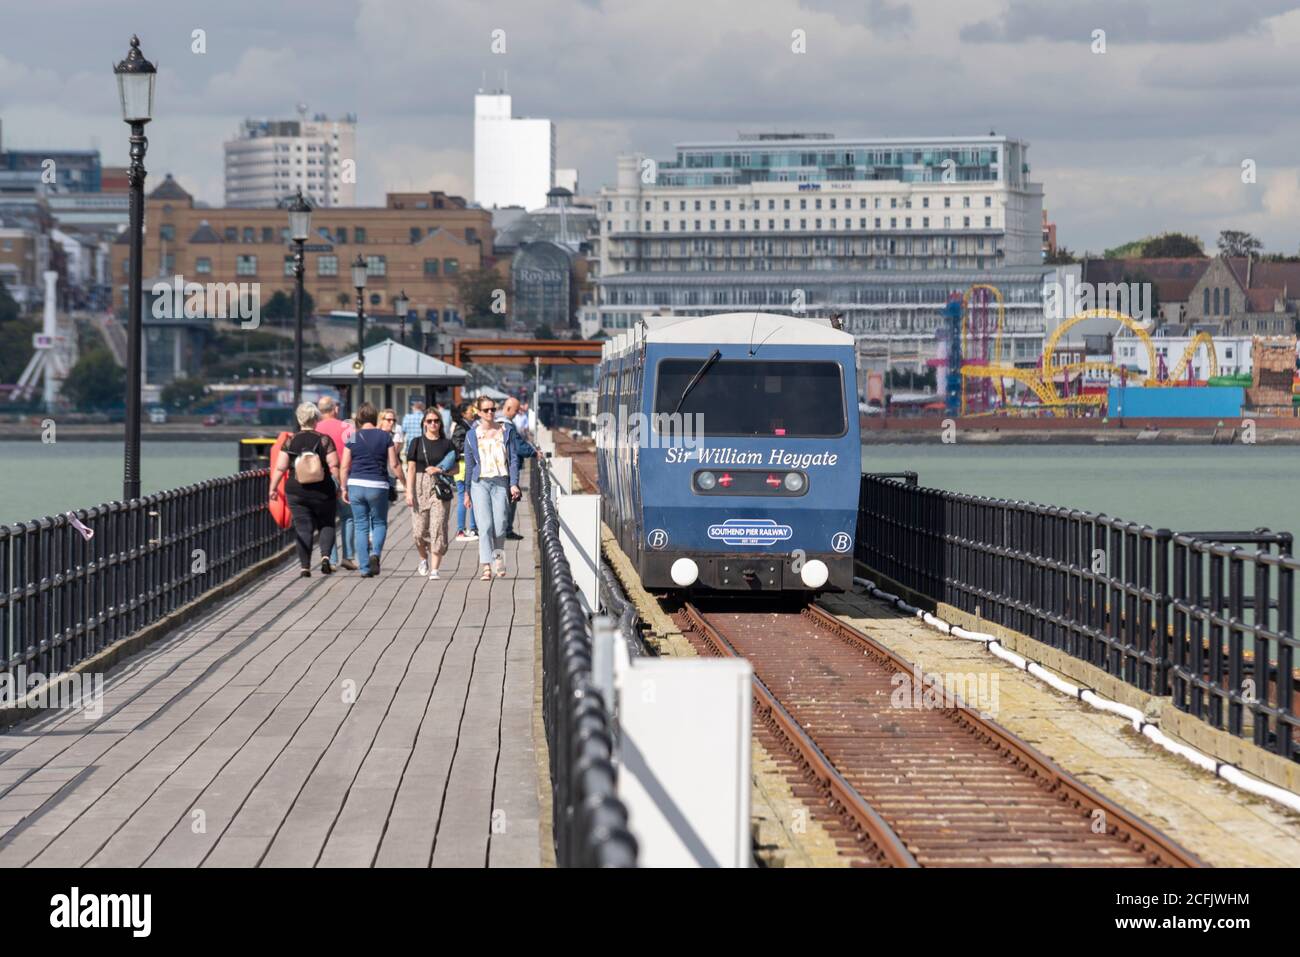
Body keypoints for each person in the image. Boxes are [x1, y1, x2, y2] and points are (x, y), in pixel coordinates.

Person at [269, 402, 341, 577]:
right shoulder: (324, 440)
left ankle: (305, 567)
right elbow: (334, 465)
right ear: (315, 418)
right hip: (323, 490)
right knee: (326, 524)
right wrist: (339, 485)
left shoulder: (290, 441)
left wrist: (272, 488)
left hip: (296, 490)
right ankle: (325, 557)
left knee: (303, 527)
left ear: (299, 419)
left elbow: (280, 468)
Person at [464, 394, 522, 580]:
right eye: (486, 410)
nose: (490, 413)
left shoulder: (506, 431)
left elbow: (513, 459)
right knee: (485, 525)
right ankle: (486, 566)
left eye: (492, 409)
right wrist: (466, 492)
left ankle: (499, 558)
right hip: (479, 483)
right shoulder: (472, 435)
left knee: (500, 525)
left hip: (500, 482)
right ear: (479, 412)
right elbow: (469, 465)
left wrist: (513, 484)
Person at [340, 403, 400, 577]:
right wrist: (403, 480)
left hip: (356, 484)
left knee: (361, 526)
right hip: (378, 485)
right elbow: (394, 464)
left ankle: (365, 568)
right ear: (375, 418)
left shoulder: (352, 437)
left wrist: (343, 487)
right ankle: (375, 554)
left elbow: (344, 466)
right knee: (379, 522)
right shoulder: (384, 436)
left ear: (359, 418)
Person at [405, 408, 456, 579]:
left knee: (438, 526)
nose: (433, 424)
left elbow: (456, 468)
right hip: (420, 486)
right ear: (424, 424)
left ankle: (435, 569)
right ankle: (422, 558)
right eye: (429, 421)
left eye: (436, 421)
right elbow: (411, 469)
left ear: (440, 423)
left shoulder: (447, 444)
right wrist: (409, 491)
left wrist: (440, 469)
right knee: (419, 532)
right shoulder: (416, 443)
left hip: (440, 487)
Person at [316, 395, 358, 570]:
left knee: (327, 520)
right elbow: (355, 453)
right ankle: (348, 556)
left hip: (321, 479)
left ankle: (331, 560)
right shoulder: (348, 426)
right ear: (335, 409)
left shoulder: (315, 428)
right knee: (348, 517)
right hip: (345, 477)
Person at [497, 397, 528, 541]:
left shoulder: (498, 423)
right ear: (508, 408)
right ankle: (506, 530)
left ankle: (502, 529)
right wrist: (534, 452)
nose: (516, 413)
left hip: (500, 468)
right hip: (508, 469)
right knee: (510, 499)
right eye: (515, 410)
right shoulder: (507, 426)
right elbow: (518, 447)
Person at [451, 400, 478, 542]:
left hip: (465, 467)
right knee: (465, 498)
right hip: (463, 467)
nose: (473, 413)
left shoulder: (466, 426)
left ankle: (471, 528)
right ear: (463, 414)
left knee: (468, 497)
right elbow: (457, 444)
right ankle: (463, 529)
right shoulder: (461, 428)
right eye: (470, 411)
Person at [381, 407, 405, 493]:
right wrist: (405, 484)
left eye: (394, 420)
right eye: (389, 420)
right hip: (382, 477)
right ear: (381, 420)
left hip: (389, 474)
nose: (392, 423)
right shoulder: (380, 435)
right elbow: (394, 462)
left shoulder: (392, 435)